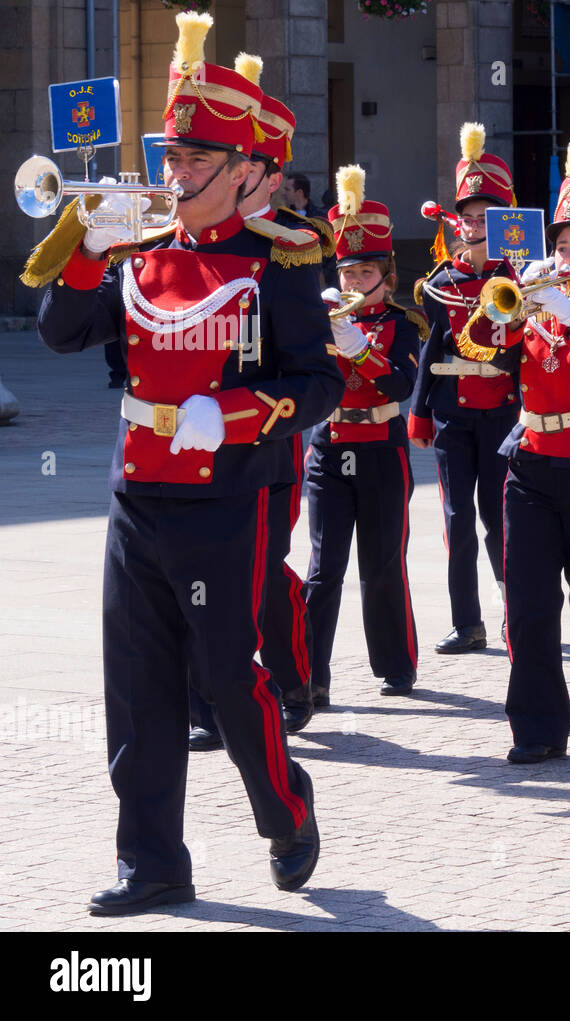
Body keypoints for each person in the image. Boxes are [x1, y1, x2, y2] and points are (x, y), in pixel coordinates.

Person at [36, 11, 340, 913]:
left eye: (193, 162)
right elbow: (57, 334)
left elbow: (319, 383)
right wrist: (87, 251)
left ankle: (286, 813)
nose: (173, 177)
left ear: (248, 170)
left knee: (226, 677)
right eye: (170, 159)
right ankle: (154, 860)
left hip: (225, 497)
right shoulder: (136, 251)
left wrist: (238, 410)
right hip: (138, 494)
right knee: (134, 686)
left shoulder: (280, 260)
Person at [458, 137, 570, 762]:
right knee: (528, 606)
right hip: (531, 467)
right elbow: (479, 343)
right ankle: (536, 728)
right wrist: (508, 296)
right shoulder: (532, 304)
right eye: (560, 246)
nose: (565, 257)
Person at [188, 52, 330, 750]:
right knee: (192, 576)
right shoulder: (181, 240)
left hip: (264, 448)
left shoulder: (289, 249)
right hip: (184, 450)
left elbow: (309, 373)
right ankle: (205, 699)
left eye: (256, 171)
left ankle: (291, 678)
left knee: (259, 573)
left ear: (265, 175)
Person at [303, 166, 423, 705]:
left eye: (366, 272)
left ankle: (395, 665)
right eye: (347, 272)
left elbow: (401, 383)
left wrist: (360, 348)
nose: (353, 282)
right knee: (323, 569)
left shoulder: (402, 323)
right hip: (330, 448)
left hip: (381, 448)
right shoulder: (320, 318)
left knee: (381, 565)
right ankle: (311, 676)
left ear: (387, 276)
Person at [409, 123, 520, 652]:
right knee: (456, 521)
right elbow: (433, 345)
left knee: (501, 520)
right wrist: (419, 410)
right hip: (454, 412)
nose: (474, 226)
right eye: (468, 217)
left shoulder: (524, 279)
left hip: (504, 411)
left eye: (486, 218)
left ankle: (514, 612)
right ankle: (467, 621)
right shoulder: (442, 281)